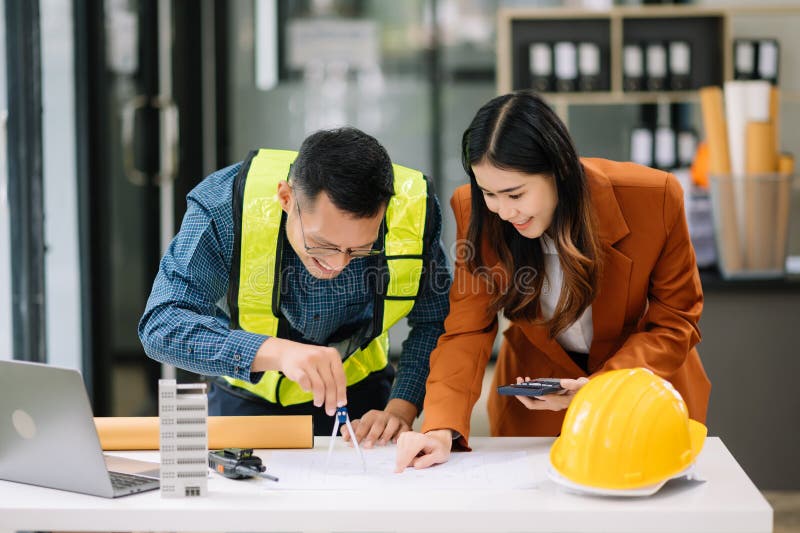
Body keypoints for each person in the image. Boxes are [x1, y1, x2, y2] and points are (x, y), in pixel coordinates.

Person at [395, 91, 710, 471]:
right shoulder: (475, 210)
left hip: (642, 386)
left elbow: (675, 320)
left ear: (559, 169)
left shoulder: (652, 197)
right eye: (489, 193)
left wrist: (600, 387)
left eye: (515, 194)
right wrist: (438, 427)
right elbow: (467, 329)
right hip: (538, 399)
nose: (504, 211)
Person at [139, 127, 451, 443]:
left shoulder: (412, 215)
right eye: (322, 244)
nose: (337, 263)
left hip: (362, 405)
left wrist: (400, 410)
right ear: (286, 198)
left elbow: (436, 321)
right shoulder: (224, 207)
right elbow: (162, 324)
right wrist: (276, 352)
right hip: (242, 398)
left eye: (359, 249)